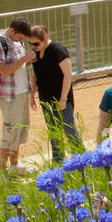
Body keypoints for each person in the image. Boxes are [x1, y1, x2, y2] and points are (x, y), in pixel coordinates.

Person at [28, 24, 82, 163]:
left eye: (36, 43)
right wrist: (32, 94)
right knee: (53, 131)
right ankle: (58, 160)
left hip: (61, 98)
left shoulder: (58, 51)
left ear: (45, 39)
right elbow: (34, 75)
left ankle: (81, 158)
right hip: (46, 99)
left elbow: (68, 75)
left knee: (68, 128)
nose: (33, 46)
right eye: (30, 43)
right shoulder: (35, 53)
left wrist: (63, 98)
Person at [0, 16, 35, 171]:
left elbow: (20, 65)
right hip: (10, 96)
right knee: (9, 134)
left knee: (20, 132)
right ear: (11, 30)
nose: (20, 40)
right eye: (19, 37)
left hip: (23, 92)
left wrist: (29, 60)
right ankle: (2, 171)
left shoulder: (18, 41)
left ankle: (14, 166)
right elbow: (3, 71)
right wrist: (24, 59)